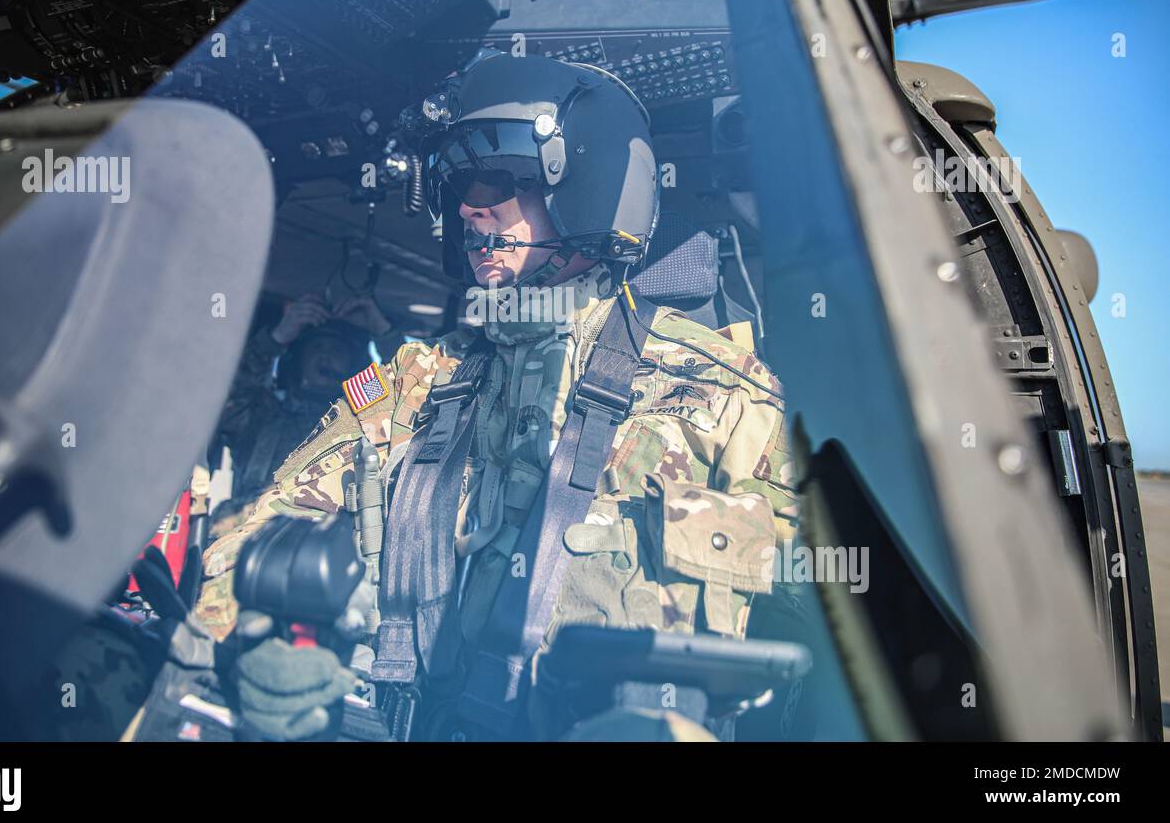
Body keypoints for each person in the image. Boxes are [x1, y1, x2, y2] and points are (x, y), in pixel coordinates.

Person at [179, 51, 798, 741]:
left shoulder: (719, 396)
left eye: (498, 179)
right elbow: (257, 539)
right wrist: (249, 644)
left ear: (591, 186)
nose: (471, 208)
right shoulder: (414, 385)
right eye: (459, 187)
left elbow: (845, 639)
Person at [209, 291, 398, 527]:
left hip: (326, 546)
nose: (326, 355)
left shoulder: (363, 422)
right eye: (317, 347)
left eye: (337, 351)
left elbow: (407, 390)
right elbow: (223, 392)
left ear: (353, 364)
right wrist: (277, 338)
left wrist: (383, 331)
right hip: (249, 540)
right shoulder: (261, 415)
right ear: (298, 360)